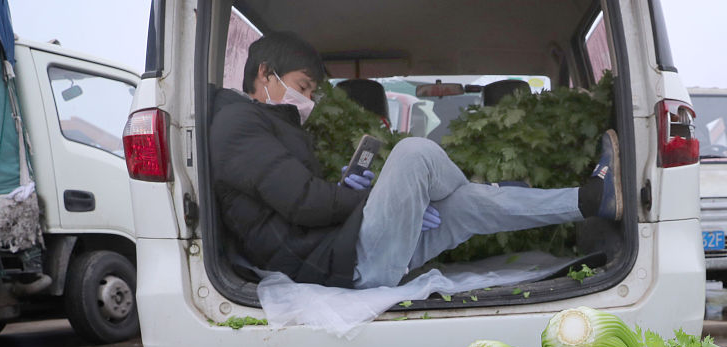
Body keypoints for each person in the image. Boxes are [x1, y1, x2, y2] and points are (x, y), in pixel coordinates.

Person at [209, 32, 621, 289]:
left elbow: (296, 199)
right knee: (413, 152)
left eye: (314, 91)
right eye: (304, 87)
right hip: (341, 265)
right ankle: (493, 192)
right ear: (265, 74)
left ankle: (588, 201)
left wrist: (344, 191)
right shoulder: (238, 126)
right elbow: (307, 204)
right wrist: (369, 198)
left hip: (345, 251)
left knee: (463, 206)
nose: (310, 100)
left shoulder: (265, 123)